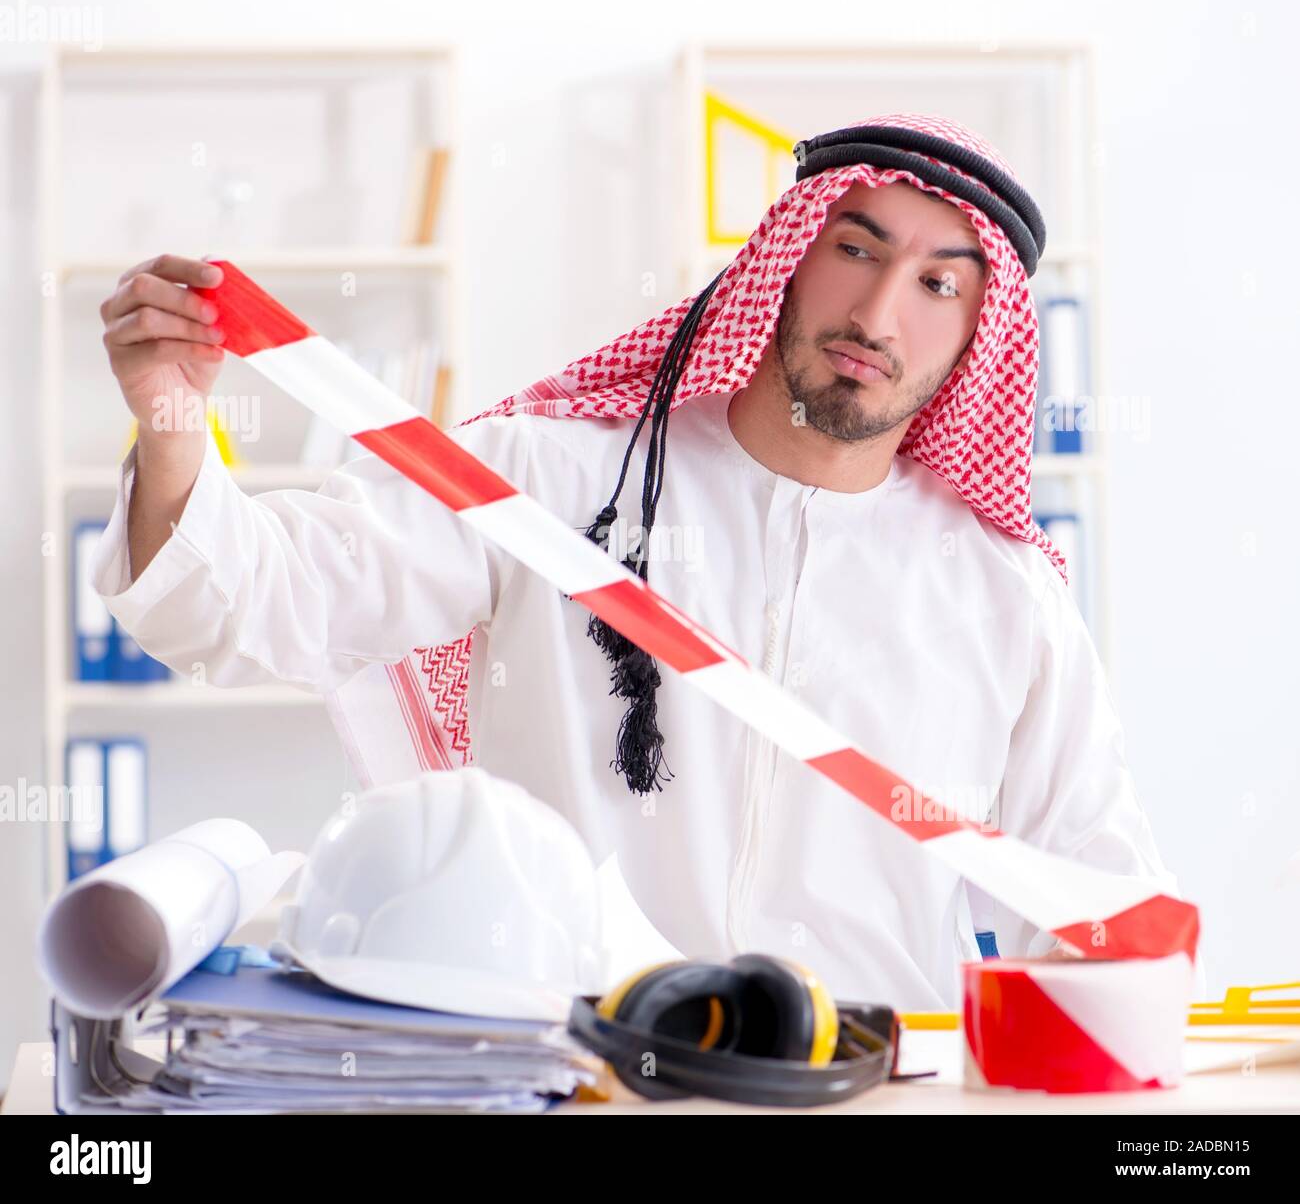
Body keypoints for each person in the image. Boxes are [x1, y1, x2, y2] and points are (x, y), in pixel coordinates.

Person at [92, 114, 1194, 1009]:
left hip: (872, 1091)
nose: (875, 310)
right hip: (572, 1074)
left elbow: (1102, 898)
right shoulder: (543, 481)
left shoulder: (1006, 597)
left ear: (975, 340)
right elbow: (249, 607)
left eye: (935, 285)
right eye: (853, 248)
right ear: (785, 258)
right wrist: (175, 417)